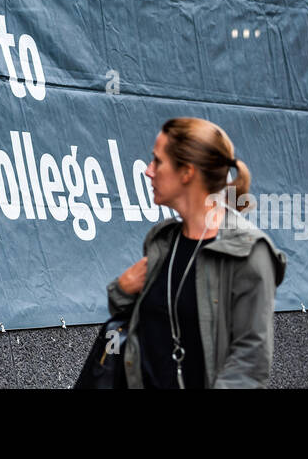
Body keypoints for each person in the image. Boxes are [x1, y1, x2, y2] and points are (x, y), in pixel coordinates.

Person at [107, 118, 285, 388]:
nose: (148, 170)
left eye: (158, 161)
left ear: (187, 172)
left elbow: (250, 363)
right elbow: (142, 328)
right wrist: (121, 290)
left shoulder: (248, 251)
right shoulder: (162, 242)